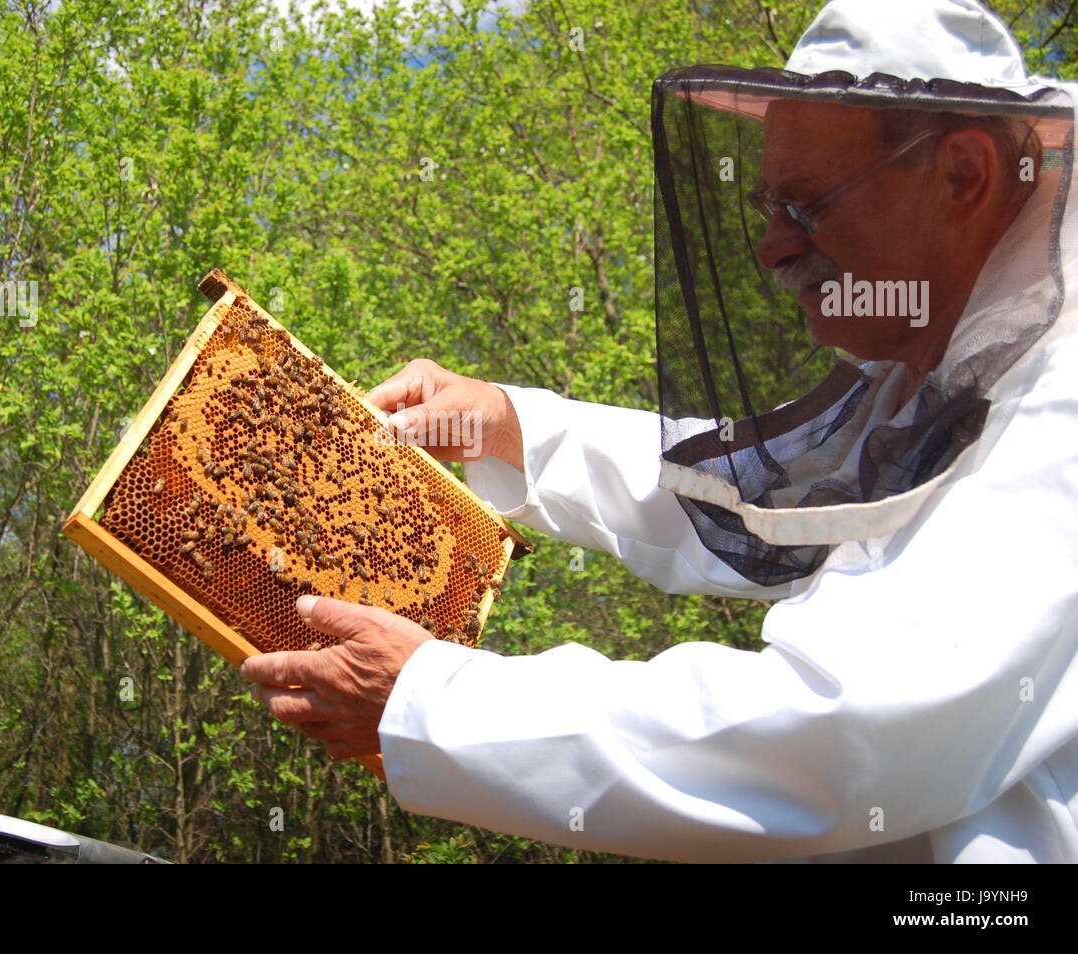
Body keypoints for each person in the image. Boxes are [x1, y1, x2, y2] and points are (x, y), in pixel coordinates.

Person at [242, 0, 1078, 862]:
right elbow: (748, 490)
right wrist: (511, 425)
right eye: (767, 208)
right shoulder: (930, 376)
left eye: (808, 206)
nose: (771, 248)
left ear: (965, 175)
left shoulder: (1060, 402)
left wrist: (438, 703)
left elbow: (843, 730)